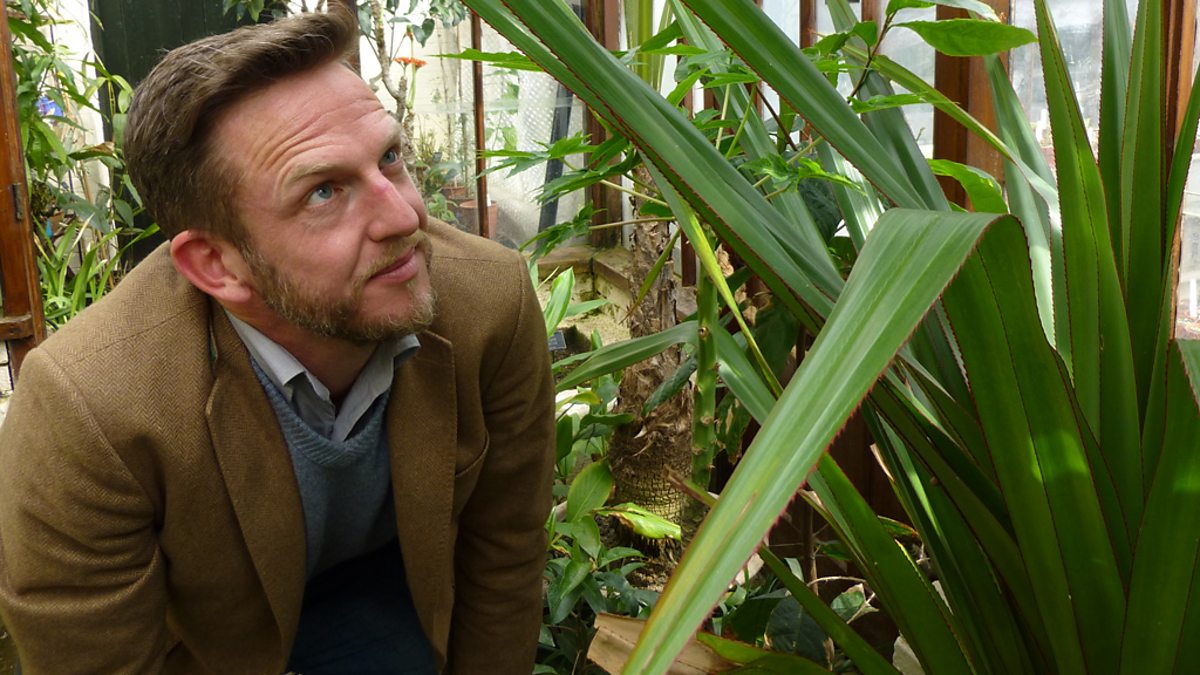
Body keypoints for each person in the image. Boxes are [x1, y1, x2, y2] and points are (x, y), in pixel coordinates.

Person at [0, 9, 554, 674]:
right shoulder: (92, 410)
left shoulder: (490, 301)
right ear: (217, 266)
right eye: (323, 191)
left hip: (399, 588)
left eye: (389, 158)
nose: (406, 215)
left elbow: (505, 558)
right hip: (213, 640)